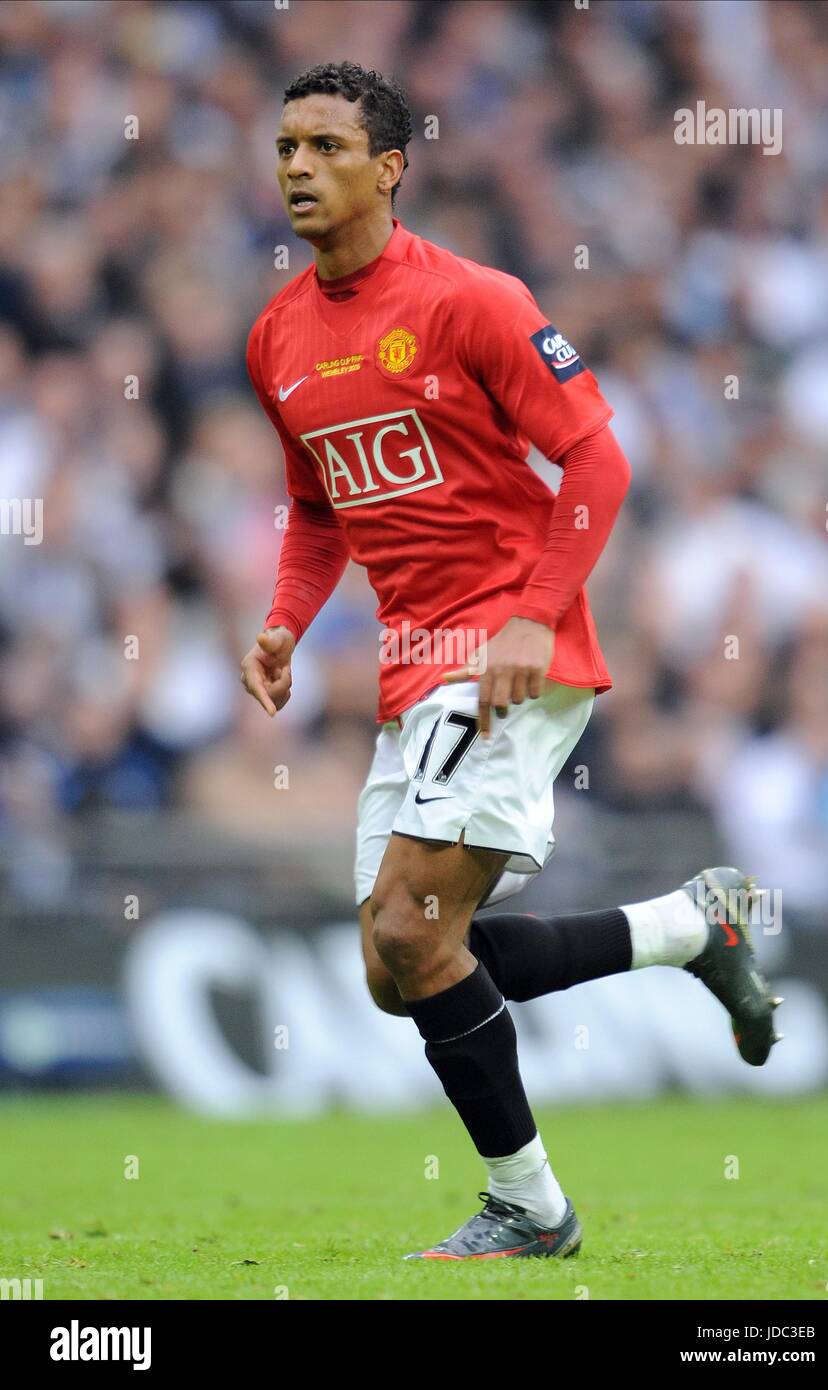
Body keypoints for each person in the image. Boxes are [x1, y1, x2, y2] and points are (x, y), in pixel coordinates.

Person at [240, 61, 781, 1261]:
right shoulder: (274, 337)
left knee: (410, 934)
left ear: (388, 167)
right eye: (285, 146)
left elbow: (597, 460)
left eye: (325, 146)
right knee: (404, 963)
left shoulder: (471, 300)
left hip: (502, 645)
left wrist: (535, 614)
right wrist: (284, 619)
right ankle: (694, 927)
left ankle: (530, 1208)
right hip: (408, 663)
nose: (294, 168)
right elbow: (316, 508)